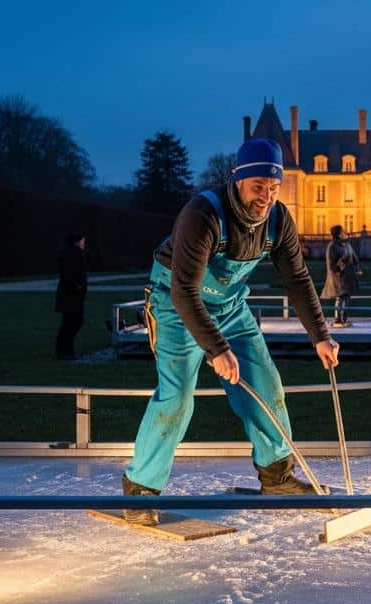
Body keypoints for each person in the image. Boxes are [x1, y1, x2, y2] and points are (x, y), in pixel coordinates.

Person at [122, 138, 340, 526]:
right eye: (259, 187)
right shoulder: (203, 214)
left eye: (274, 188)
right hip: (176, 304)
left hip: (229, 307)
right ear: (237, 180)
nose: (266, 197)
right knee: (177, 397)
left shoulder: (278, 220)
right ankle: (140, 488)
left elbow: (298, 278)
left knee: (265, 382)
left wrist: (319, 335)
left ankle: (277, 476)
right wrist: (216, 349)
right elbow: (185, 290)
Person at [320, 224, 361, 328]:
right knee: (340, 297)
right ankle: (338, 319)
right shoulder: (332, 246)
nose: (345, 233)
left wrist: (357, 268)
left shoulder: (346, 245)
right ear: (338, 235)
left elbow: (354, 258)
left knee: (346, 297)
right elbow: (331, 265)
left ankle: (344, 318)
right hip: (338, 277)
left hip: (347, 277)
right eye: (343, 232)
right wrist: (341, 264)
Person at [54, 232, 87, 359]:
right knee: (71, 322)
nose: (84, 244)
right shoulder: (72, 254)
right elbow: (67, 274)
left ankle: (66, 351)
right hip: (71, 295)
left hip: (72, 295)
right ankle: (64, 352)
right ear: (77, 242)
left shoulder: (72, 253)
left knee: (71, 322)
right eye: (83, 241)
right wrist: (77, 287)